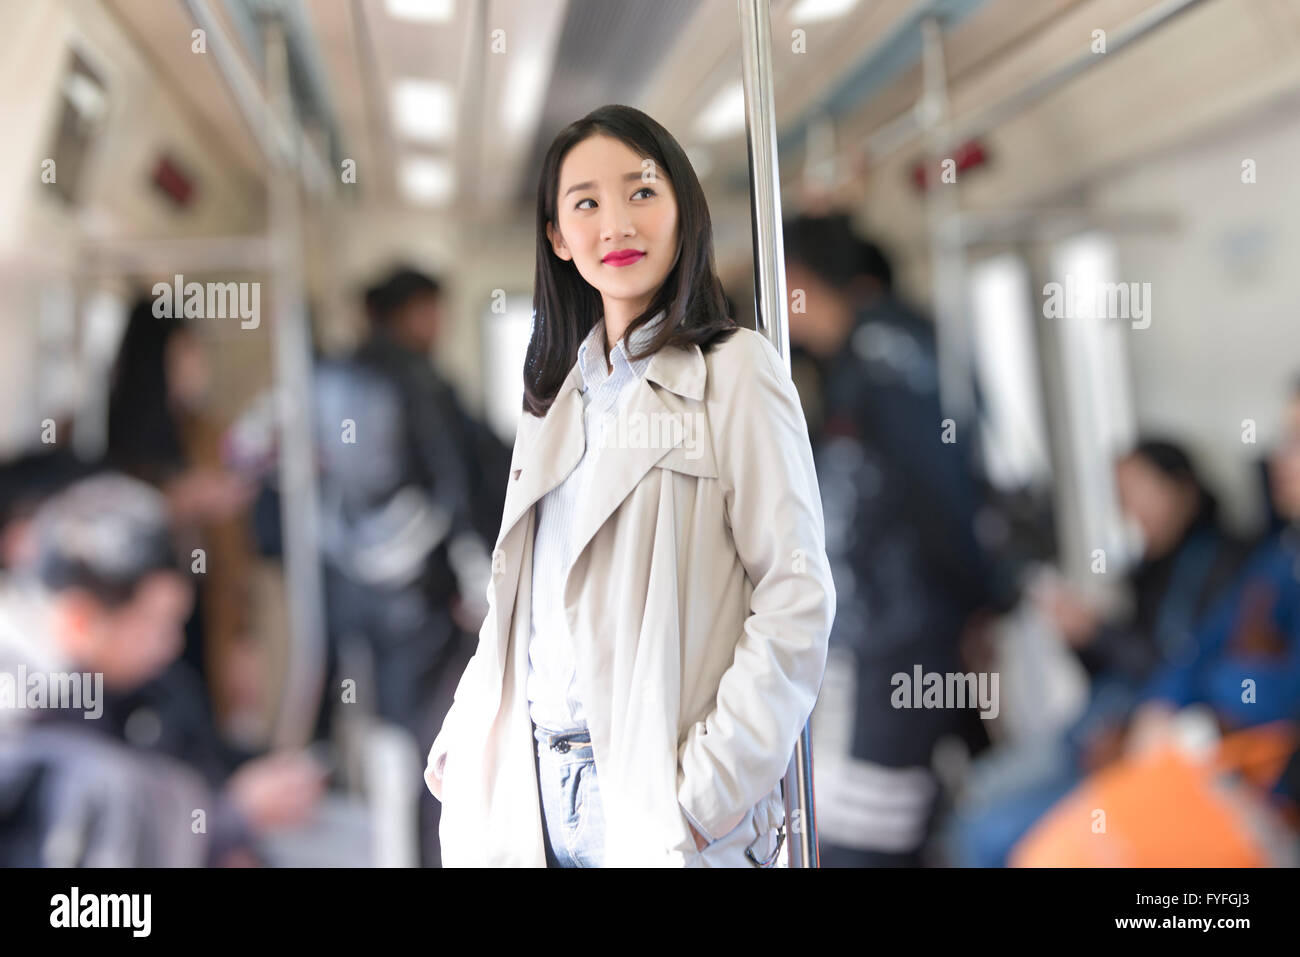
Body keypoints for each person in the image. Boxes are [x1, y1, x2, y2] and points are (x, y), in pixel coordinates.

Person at [423, 104, 836, 867]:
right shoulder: (554, 398)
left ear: (683, 207)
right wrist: (466, 728)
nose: (616, 224)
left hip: (653, 794)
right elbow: (520, 599)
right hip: (531, 788)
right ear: (557, 235)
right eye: (586, 203)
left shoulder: (736, 372)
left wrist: (704, 799)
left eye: (642, 192)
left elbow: (796, 597)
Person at [782, 212, 1002, 866]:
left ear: (796, 281)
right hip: (899, 627)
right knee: (894, 807)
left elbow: (946, 490)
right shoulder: (869, 353)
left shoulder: (886, 356)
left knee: (860, 830)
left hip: (895, 634)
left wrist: (978, 600)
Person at [944, 438, 1244, 866]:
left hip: (1141, 744)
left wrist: (1100, 634)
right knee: (979, 791)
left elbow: (1181, 668)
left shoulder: (1226, 568)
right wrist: (1081, 639)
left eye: (1140, 491)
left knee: (986, 832)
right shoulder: (1150, 569)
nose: (1129, 508)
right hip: (1100, 727)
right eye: (1121, 495)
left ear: (1182, 488)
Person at [0, 473, 324, 865]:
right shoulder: (23, 726)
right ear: (81, 620)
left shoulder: (143, 683)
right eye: (155, 624)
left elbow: (197, 754)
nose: (172, 644)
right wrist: (231, 819)